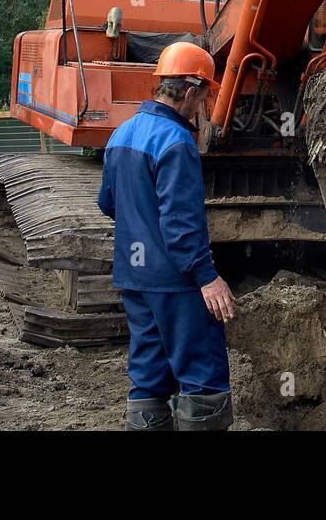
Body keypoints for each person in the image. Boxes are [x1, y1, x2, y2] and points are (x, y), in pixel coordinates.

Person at [97, 41, 237, 431]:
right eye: (205, 94)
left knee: (148, 378)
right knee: (203, 377)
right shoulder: (176, 143)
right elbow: (181, 225)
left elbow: (108, 202)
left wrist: (140, 229)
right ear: (190, 91)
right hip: (175, 284)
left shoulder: (121, 134)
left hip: (134, 279)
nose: (203, 106)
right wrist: (206, 277)